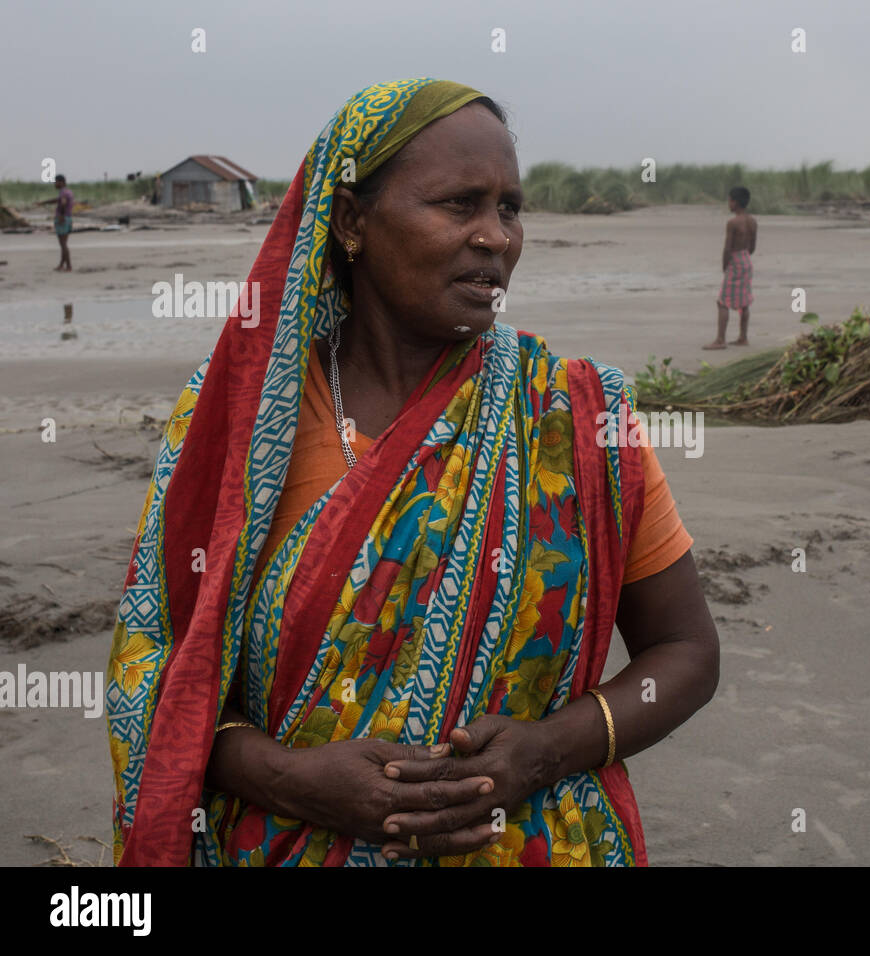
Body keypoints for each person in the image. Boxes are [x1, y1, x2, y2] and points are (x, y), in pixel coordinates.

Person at [106, 78, 720, 867]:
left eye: (509, 207)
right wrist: (288, 777)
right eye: (460, 204)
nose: (496, 237)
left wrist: (547, 750)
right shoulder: (242, 422)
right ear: (353, 221)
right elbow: (158, 668)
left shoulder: (574, 417)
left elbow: (687, 652)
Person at [703, 185, 757, 349]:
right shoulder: (752, 221)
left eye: (730, 201)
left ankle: (720, 340)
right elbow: (753, 247)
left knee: (723, 301)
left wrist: (725, 264)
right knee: (744, 301)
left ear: (735, 202)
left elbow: (728, 247)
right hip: (746, 259)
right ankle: (743, 337)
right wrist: (743, 256)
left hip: (735, 260)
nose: (729, 204)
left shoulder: (733, 222)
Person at [47, 174, 74, 271]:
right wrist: (43, 203)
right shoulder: (68, 191)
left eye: (55, 182)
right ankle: (62, 264)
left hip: (62, 219)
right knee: (64, 244)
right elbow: (57, 200)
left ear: (61, 182)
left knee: (63, 244)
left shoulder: (63, 192)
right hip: (68, 218)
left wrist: (61, 215)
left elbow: (62, 202)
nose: (54, 184)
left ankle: (69, 266)